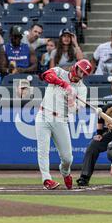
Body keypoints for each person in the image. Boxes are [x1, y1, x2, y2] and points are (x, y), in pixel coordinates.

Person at [36, 59, 92, 190]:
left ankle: (65, 172)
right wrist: (64, 85)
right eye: (80, 71)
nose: (80, 75)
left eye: (84, 73)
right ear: (75, 67)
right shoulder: (60, 72)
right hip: (44, 115)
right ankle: (46, 179)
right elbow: (46, 75)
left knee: (67, 158)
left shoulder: (82, 88)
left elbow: (77, 110)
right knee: (43, 150)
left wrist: (71, 100)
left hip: (61, 120)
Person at [76, 86, 112, 187]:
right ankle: (84, 177)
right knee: (93, 146)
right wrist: (99, 133)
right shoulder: (110, 107)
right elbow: (101, 117)